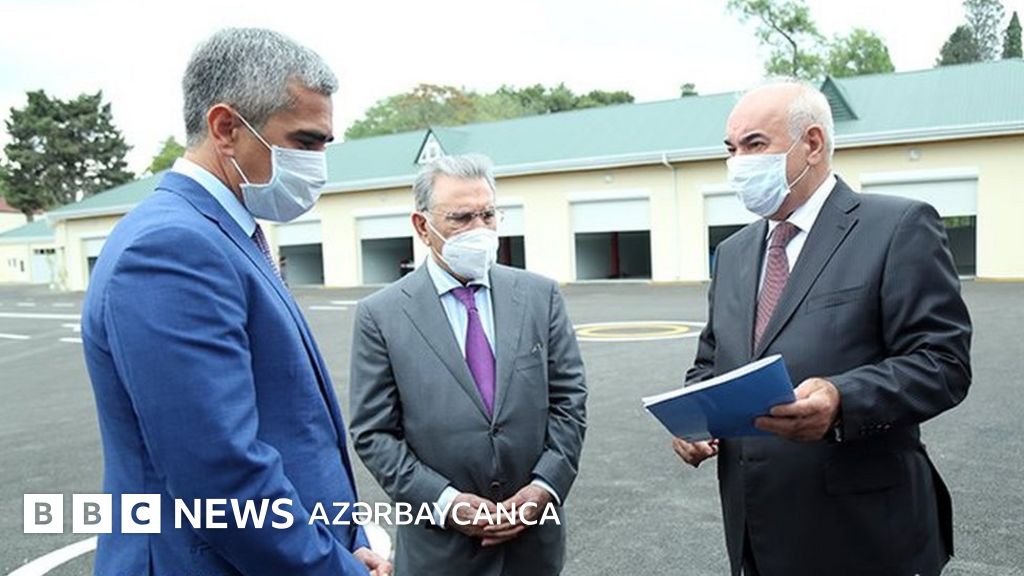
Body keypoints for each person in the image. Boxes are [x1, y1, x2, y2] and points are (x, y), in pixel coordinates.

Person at [81, 28, 389, 576]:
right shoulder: (172, 248)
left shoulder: (223, 234)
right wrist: (334, 569)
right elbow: (220, 473)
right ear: (225, 128)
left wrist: (347, 539)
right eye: (306, 141)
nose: (319, 163)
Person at [673, 82, 972, 576]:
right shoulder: (733, 254)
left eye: (754, 145)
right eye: (730, 150)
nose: (737, 165)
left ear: (811, 143)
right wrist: (695, 419)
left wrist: (840, 400)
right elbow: (711, 362)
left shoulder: (898, 227)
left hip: (865, 537)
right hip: (757, 535)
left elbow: (942, 363)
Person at [349, 154, 587, 575]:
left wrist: (544, 488)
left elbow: (569, 403)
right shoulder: (381, 315)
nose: (479, 230)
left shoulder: (539, 297)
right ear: (422, 226)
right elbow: (374, 433)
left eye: (488, 215)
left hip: (532, 548)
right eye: (461, 218)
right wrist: (445, 502)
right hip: (439, 552)